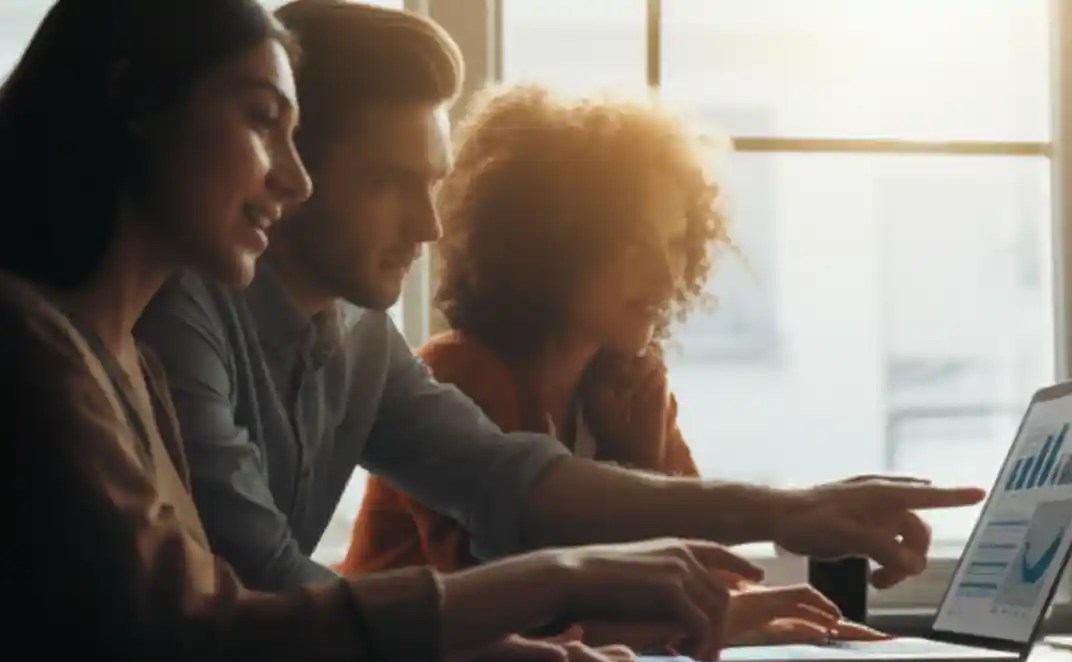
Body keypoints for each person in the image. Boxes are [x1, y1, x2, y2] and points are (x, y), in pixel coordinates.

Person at [0, 0, 769, 662]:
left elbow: (497, 473)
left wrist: (783, 513)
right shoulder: (42, 346)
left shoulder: (140, 365)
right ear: (135, 104)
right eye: (264, 121)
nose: (289, 178)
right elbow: (207, 631)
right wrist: (553, 579)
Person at [137, 0, 984, 610]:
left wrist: (788, 509)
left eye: (432, 185)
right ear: (290, 168)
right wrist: (493, 634)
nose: (429, 225)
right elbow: (260, 580)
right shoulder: (178, 310)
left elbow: (509, 477)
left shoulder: (359, 337)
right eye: (390, 184)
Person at [343, 84, 889, 648]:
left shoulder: (635, 387)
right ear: (550, 241)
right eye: (632, 241)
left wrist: (776, 620)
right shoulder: (459, 374)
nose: (665, 276)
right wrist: (718, 621)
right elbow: (501, 609)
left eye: (677, 241)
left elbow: (698, 571)